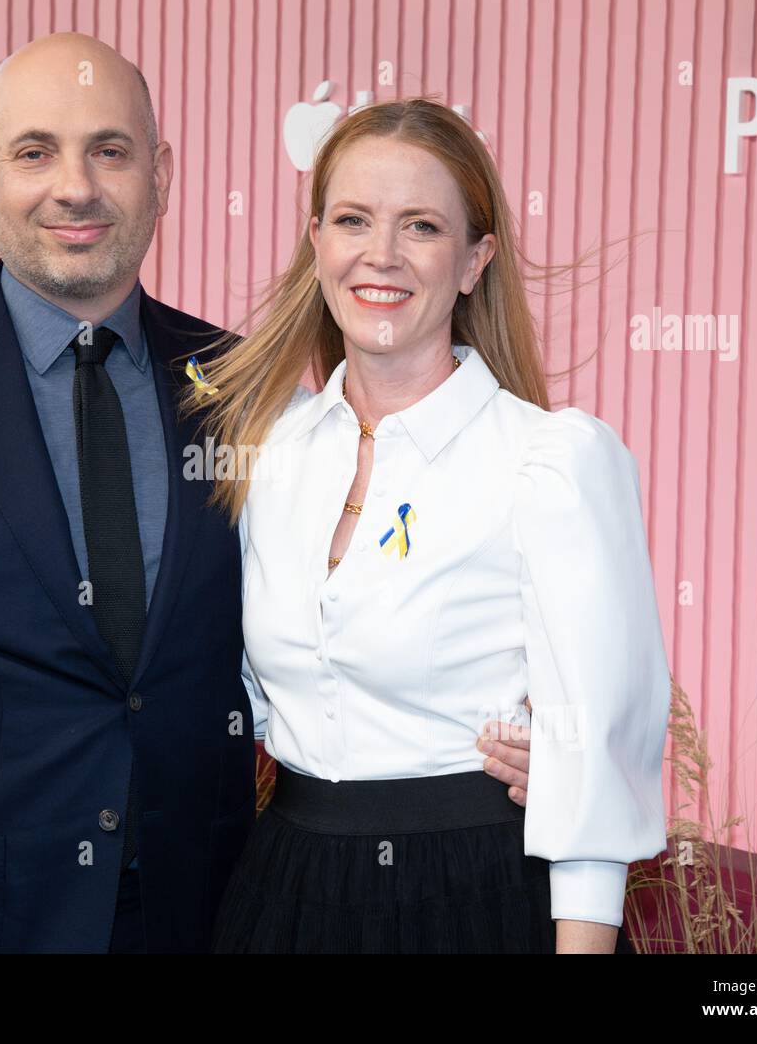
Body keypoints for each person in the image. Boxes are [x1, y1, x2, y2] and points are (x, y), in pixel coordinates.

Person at [0, 32, 536, 955]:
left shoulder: (249, 389)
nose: (75, 186)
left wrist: (538, 748)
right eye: (35, 151)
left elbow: (361, 617)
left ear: (161, 176)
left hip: (202, 923)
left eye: (110, 151)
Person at [192, 98, 671, 954]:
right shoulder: (268, 453)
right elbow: (254, 704)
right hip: (286, 893)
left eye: (421, 226)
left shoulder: (549, 460)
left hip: (477, 896)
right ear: (317, 244)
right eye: (353, 220)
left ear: (473, 261)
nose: (380, 255)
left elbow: (594, 782)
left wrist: (559, 765)